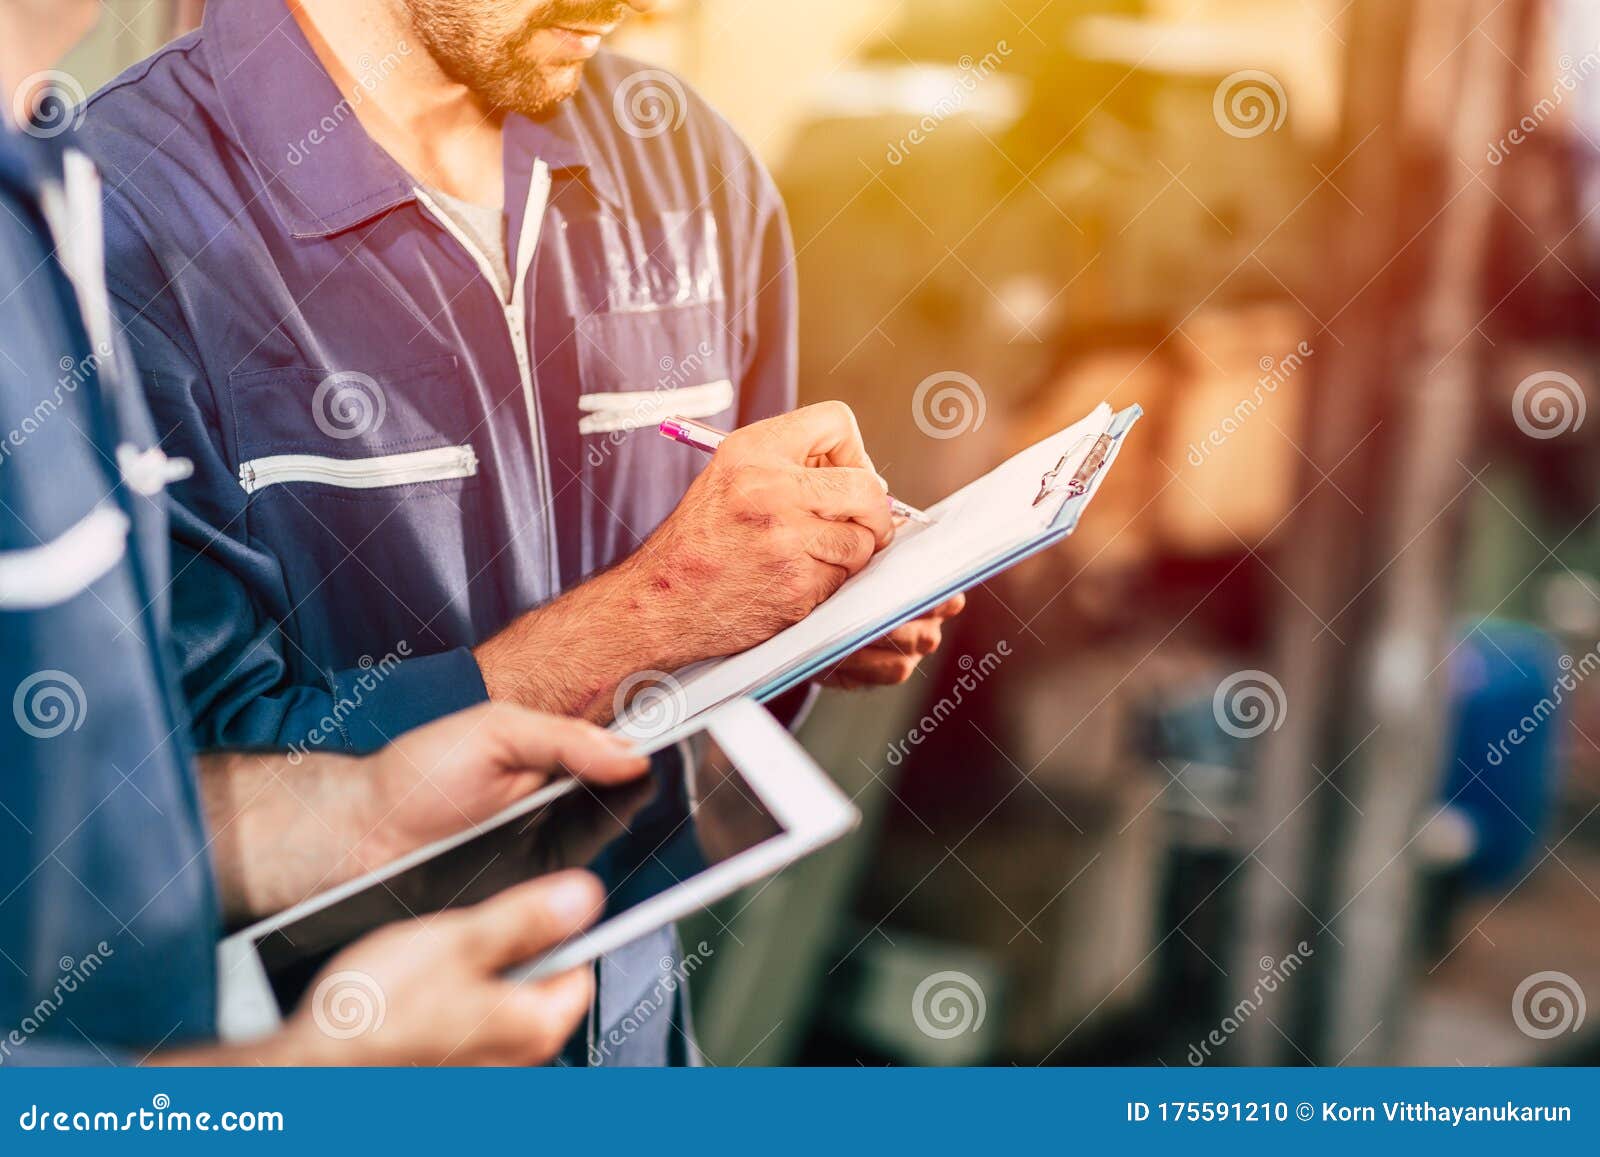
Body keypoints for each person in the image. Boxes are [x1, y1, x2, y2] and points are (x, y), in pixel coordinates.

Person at [78, 0, 964, 1064]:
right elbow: (127, 814)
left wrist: (804, 604)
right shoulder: (114, 223)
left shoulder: (687, 166)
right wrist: (653, 610)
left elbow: (717, 677)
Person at [0, 0, 647, 1066]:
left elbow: (64, 824)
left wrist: (352, 814)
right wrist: (307, 1079)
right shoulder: (142, 196)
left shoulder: (51, 189)